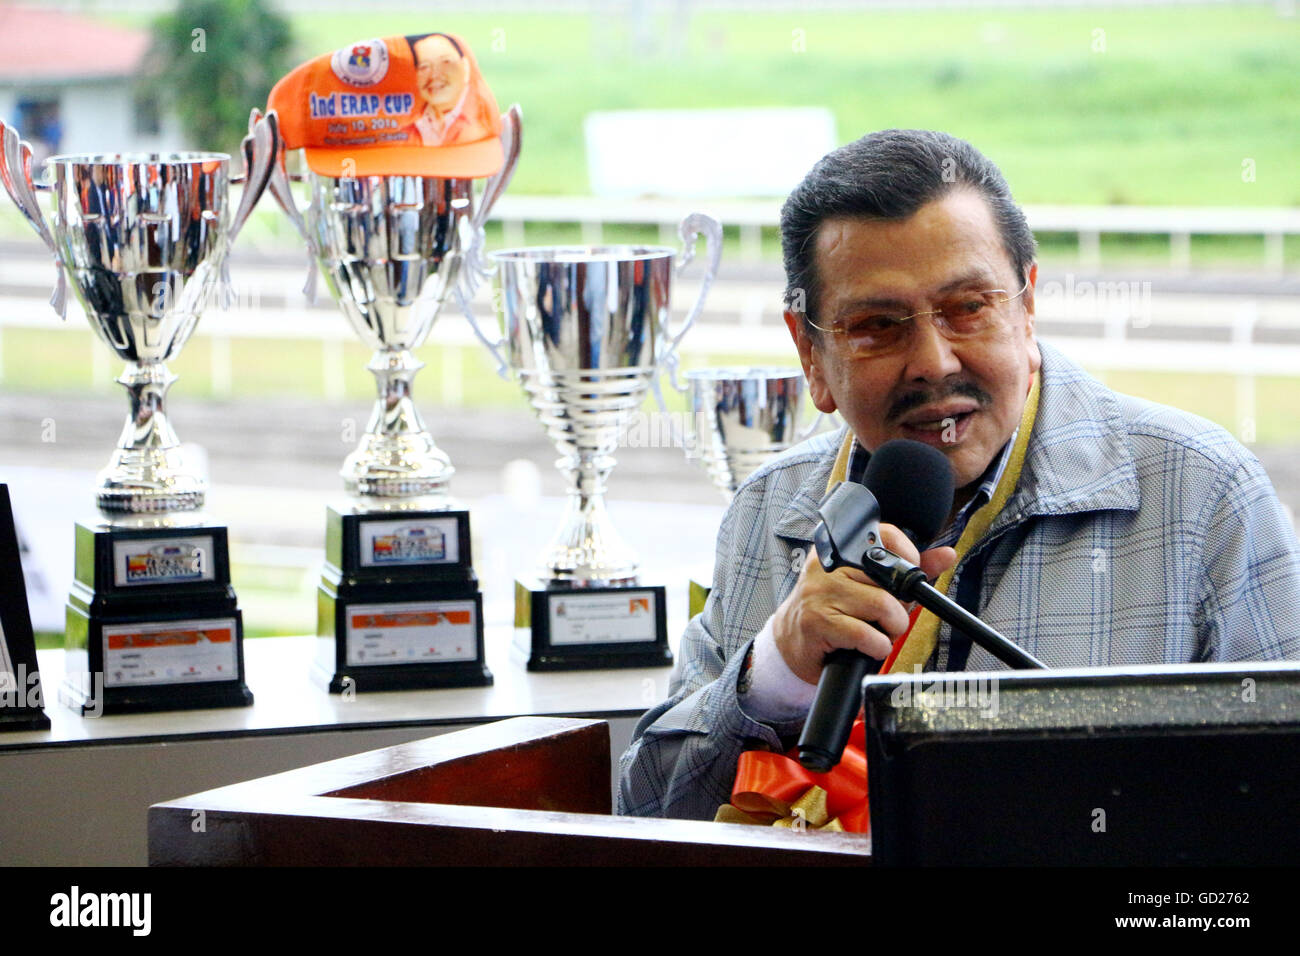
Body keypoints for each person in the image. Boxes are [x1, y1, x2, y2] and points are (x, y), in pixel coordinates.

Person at [618, 128, 1300, 822]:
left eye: (968, 308)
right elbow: (644, 812)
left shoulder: (1202, 496)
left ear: (1027, 308)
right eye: (878, 325)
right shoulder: (772, 508)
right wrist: (777, 673)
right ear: (811, 355)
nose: (934, 362)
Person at [406, 33, 493, 147]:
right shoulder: (407, 129)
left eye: (446, 62)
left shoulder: (482, 121)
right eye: (424, 66)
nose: (434, 75)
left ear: (465, 67)